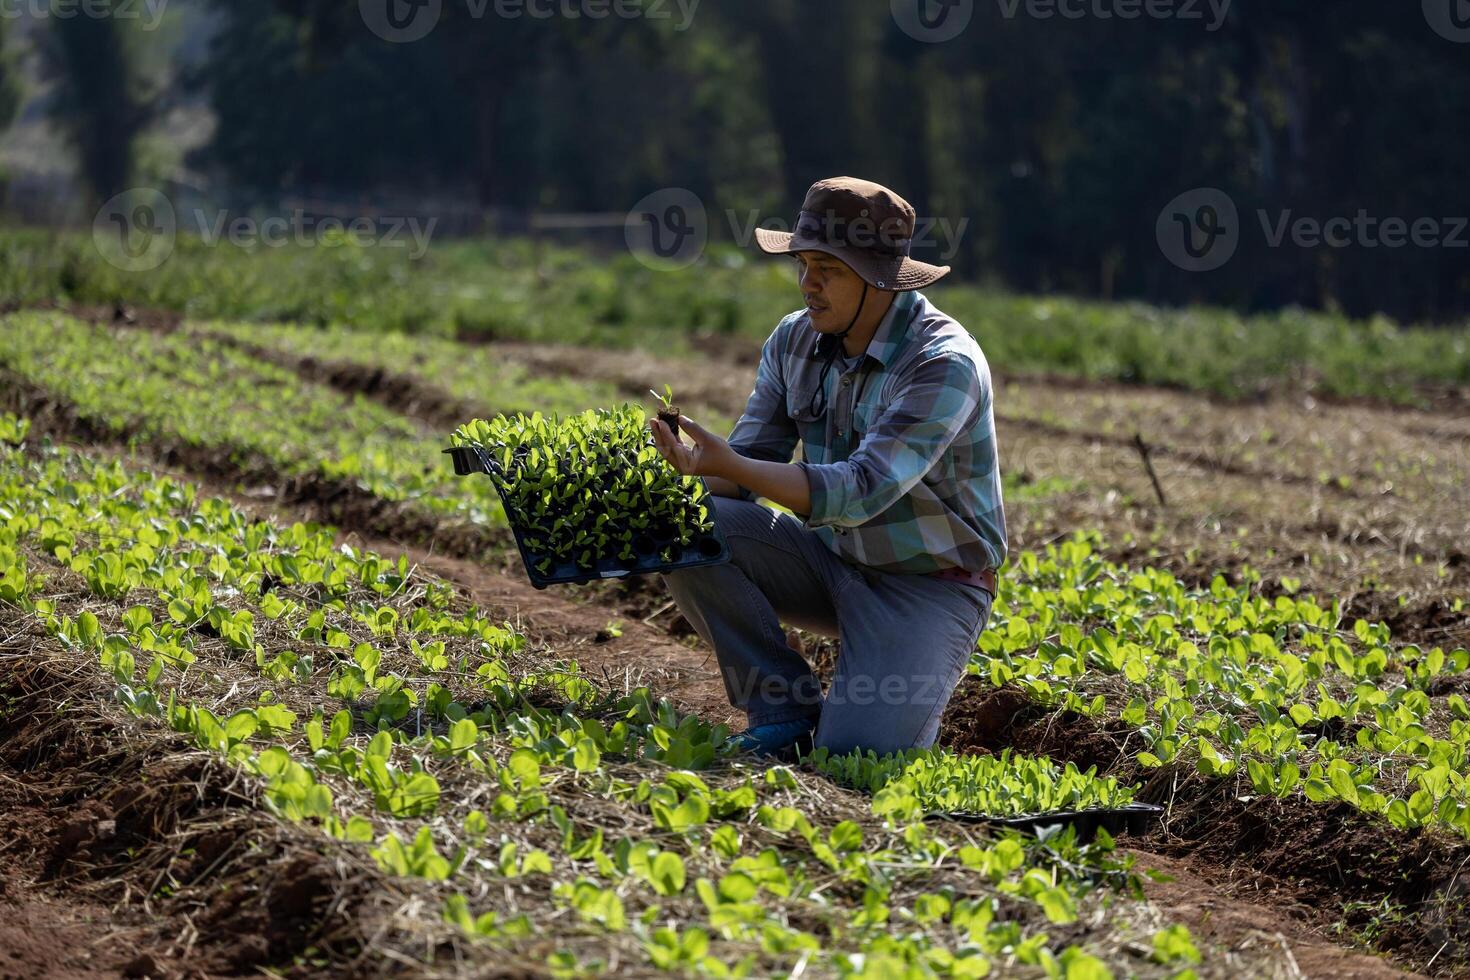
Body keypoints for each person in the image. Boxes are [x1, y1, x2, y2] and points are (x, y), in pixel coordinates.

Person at [648, 176, 1006, 758]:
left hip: (927, 586)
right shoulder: (795, 339)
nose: (808, 283)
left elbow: (861, 491)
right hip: (831, 562)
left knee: (855, 759)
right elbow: (745, 469)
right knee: (683, 524)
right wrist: (669, 484)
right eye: (804, 264)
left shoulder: (943, 363)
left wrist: (730, 463)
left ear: (879, 278)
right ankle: (783, 707)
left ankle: (882, 694)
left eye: (829, 269)